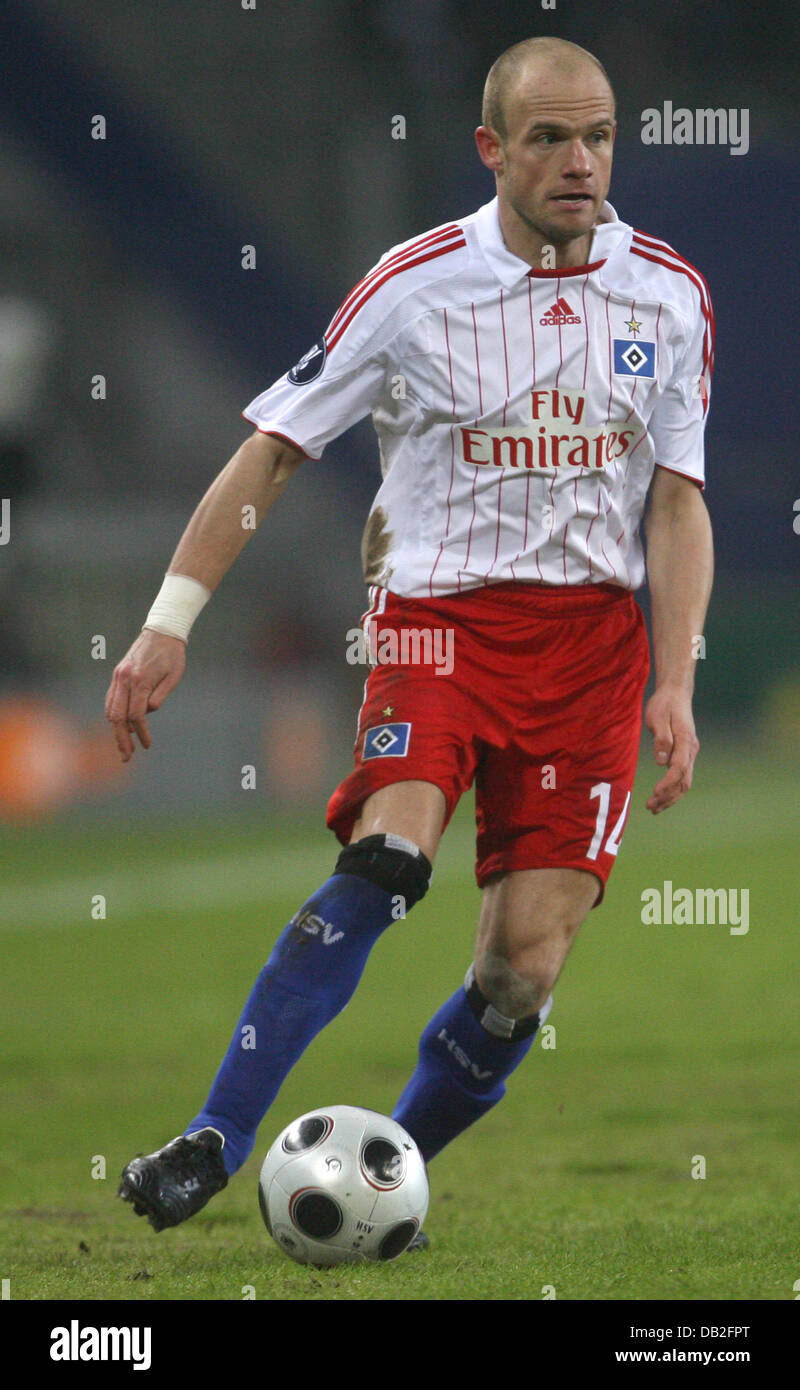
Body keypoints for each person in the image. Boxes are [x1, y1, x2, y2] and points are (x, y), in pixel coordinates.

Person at [107, 36, 714, 1245]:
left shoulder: (667, 294)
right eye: (547, 137)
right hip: (436, 625)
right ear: (491, 149)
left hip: (590, 650)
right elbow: (272, 450)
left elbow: (678, 499)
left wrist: (674, 679)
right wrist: (166, 624)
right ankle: (216, 1137)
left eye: (596, 135)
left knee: (519, 974)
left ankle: (383, 1177)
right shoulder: (413, 283)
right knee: (388, 863)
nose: (579, 161)